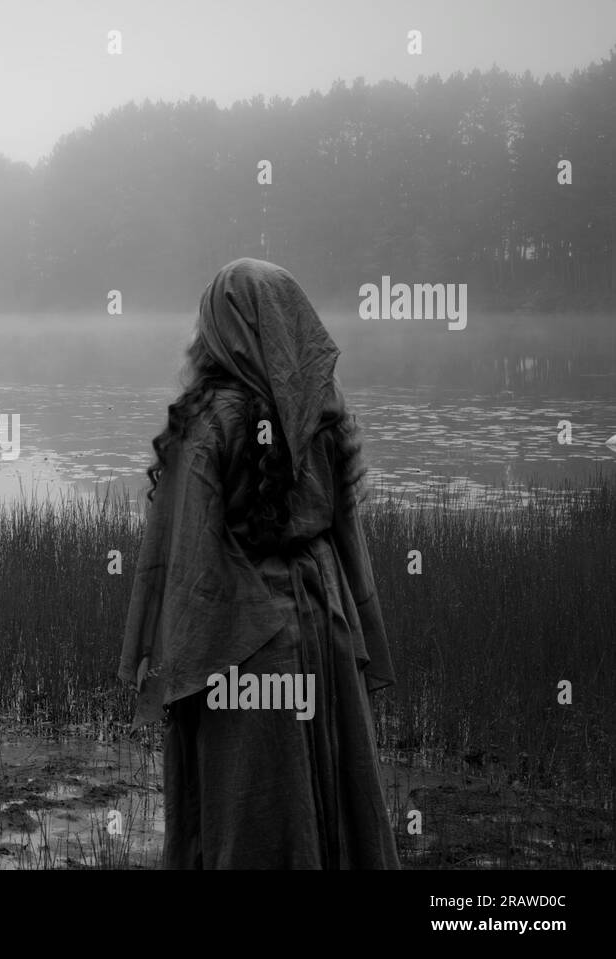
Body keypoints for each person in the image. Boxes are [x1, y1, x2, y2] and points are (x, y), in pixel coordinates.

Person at [119, 257, 400, 869]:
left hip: (243, 647)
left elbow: (189, 563)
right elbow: (349, 545)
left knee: (257, 813)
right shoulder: (321, 417)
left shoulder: (207, 421)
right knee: (328, 795)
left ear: (219, 329)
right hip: (325, 627)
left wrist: (175, 669)